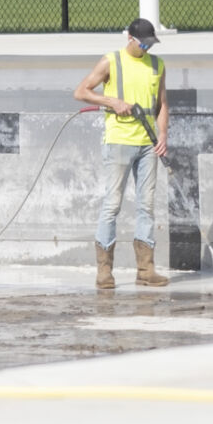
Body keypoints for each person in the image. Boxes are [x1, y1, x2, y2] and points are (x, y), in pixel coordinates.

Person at [72, 19, 171, 290]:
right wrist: (112, 101)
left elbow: (162, 104)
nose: (146, 48)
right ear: (129, 38)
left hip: (148, 144)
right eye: (142, 43)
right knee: (112, 204)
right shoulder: (111, 61)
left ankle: (146, 270)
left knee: (146, 205)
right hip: (118, 142)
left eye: (150, 44)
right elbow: (81, 92)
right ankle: (104, 272)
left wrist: (162, 135)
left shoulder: (157, 65)